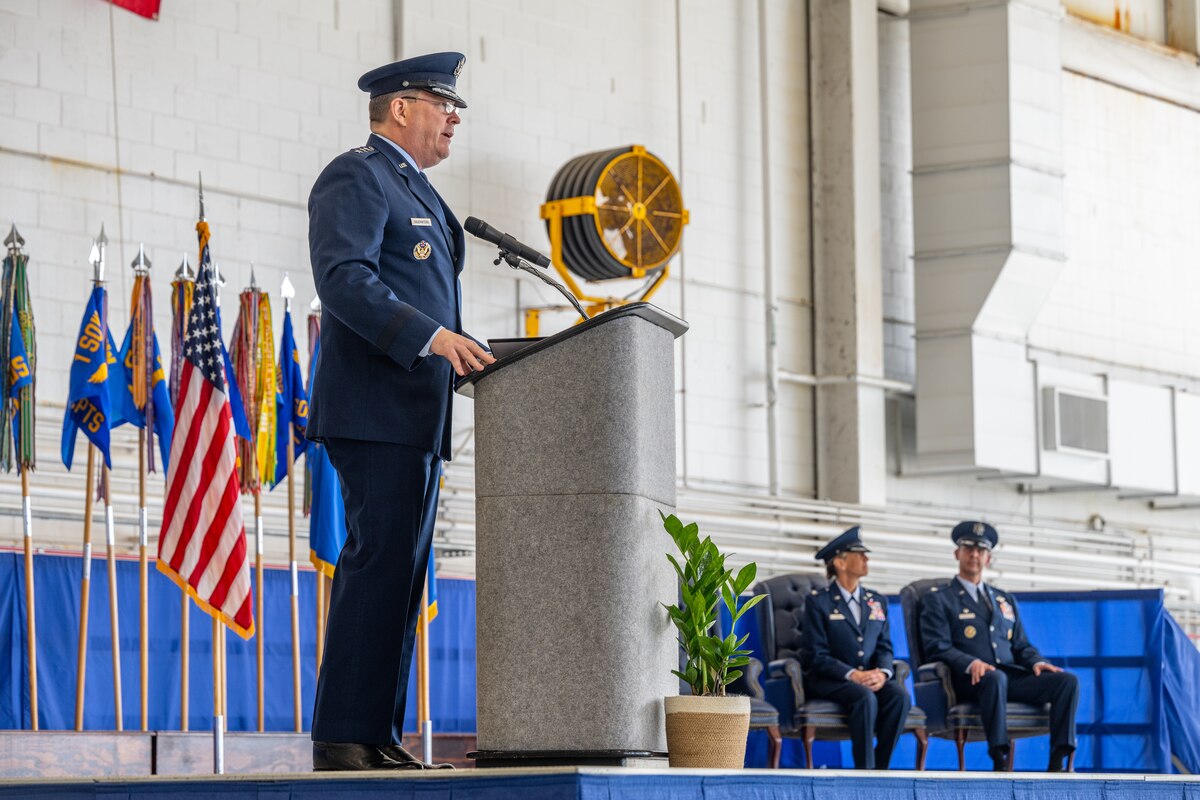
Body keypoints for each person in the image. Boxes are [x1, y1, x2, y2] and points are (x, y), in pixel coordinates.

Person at [306, 51, 495, 771]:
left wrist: (459, 346)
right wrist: (430, 336)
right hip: (374, 412)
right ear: (400, 107)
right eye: (443, 103)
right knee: (377, 567)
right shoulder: (358, 173)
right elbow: (344, 277)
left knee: (400, 581)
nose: (453, 117)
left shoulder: (412, 187)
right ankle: (343, 739)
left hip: (415, 419)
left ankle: (375, 736)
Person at [918, 521, 1079, 772]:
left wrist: (1037, 662)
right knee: (994, 678)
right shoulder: (939, 598)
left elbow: (1021, 644)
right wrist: (970, 663)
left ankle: (1059, 759)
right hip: (968, 679)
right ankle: (999, 757)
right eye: (968, 549)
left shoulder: (1004, 599)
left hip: (1006, 676)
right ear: (956, 554)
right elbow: (937, 646)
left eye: (980, 551)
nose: (974, 555)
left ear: (988, 558)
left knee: (1066, 681)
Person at [800, 526, 910, 770]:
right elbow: (815, 655)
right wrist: (853, 675)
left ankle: (880, 768)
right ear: (839, 562)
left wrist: (882, 672)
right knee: (864, 698)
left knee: (899, 696)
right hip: (833, 680)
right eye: (859, 554)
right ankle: (865, 771)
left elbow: (884, 646)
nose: (866, 558)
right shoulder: (819, 602)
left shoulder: (876, 600)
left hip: (870, 677)